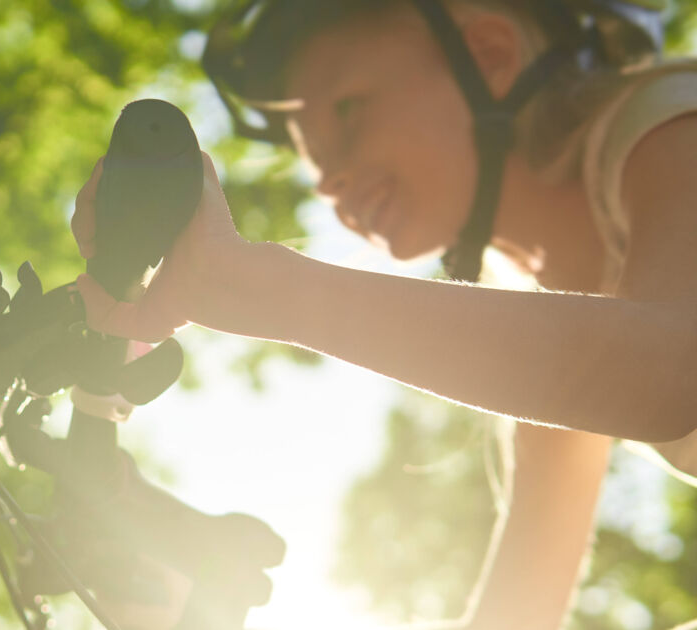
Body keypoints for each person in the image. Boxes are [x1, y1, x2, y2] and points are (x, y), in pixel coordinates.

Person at [69, 1, 697, 628]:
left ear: (491, 56)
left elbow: (671, 370)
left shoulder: (672, 119)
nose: (330, 182)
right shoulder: (554, 342)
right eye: (313, 160)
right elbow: (517, 615)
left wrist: (257, 286)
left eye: (349, 111)